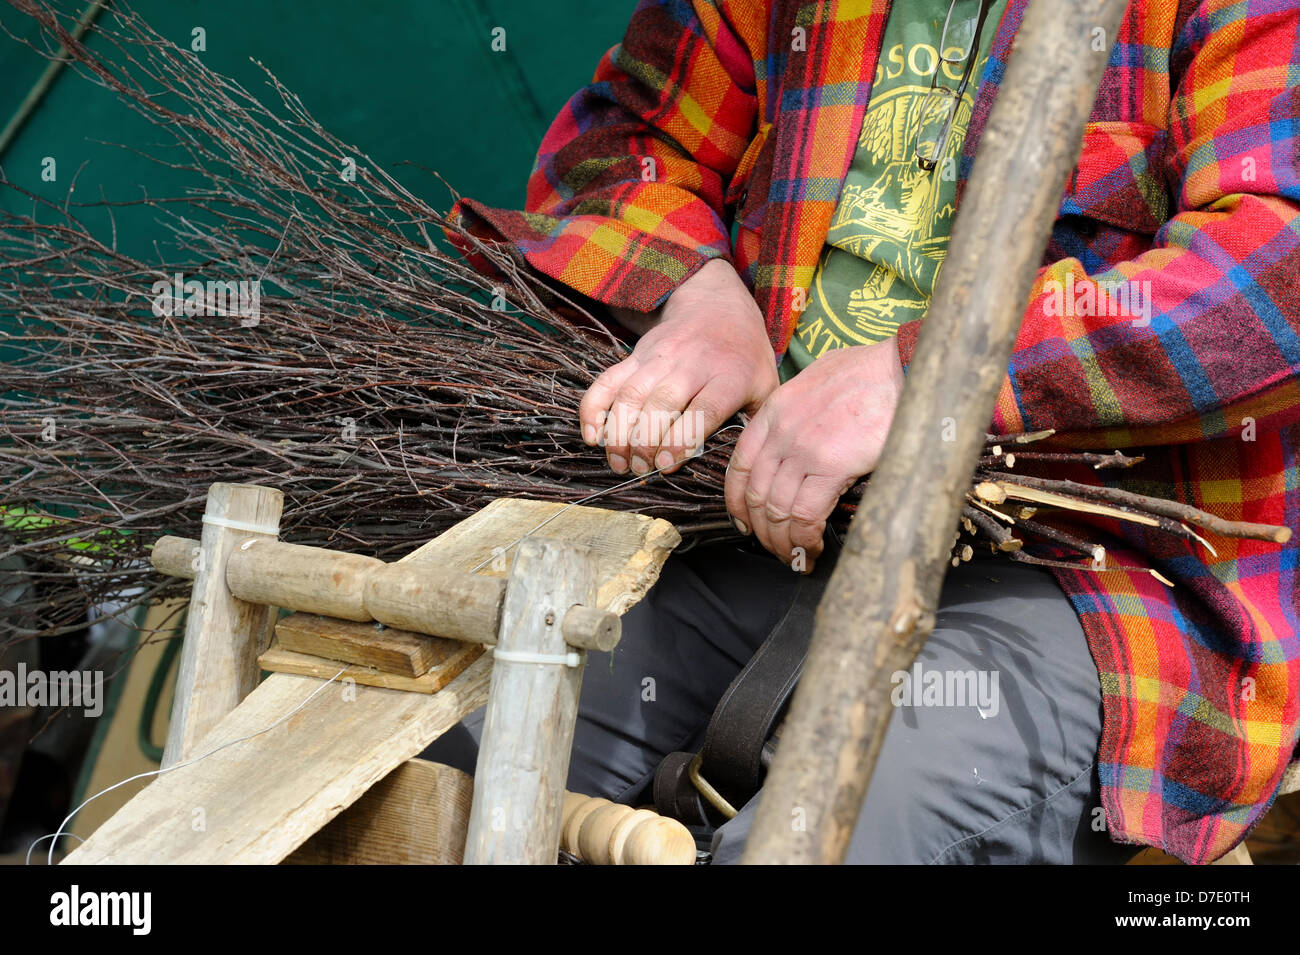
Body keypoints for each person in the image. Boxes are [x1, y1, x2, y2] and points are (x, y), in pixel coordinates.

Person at [441, 0, 1300, 863]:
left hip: (1089, 578)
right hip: (754, 524)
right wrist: (697, 291)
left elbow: (1276, 269)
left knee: (808, 844)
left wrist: (930, 375)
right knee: (428, 762)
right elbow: (626, 136)